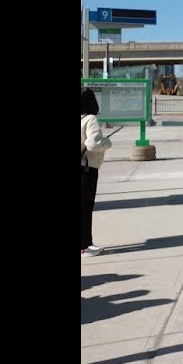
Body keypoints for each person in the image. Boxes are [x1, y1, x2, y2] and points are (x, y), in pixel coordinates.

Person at [81, 88, 113, 257]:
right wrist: (108, 142)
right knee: (85, 207)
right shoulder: (90, 119)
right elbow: (93, 144)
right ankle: (85, 246)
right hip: (86, 169)